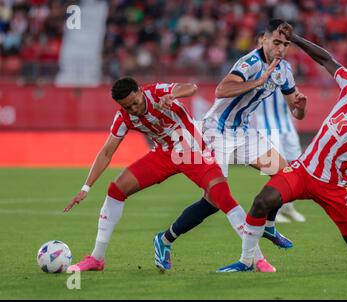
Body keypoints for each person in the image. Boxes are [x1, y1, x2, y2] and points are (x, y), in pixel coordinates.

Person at [218, 29, 347, 272]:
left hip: (335, 187)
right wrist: (295, 39)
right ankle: (246, 262)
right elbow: (326, 59)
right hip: (303, 171)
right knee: (262, 202)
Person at [63, 78, 272, 272]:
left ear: (140, 91)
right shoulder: (124, 117)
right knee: (116, 189)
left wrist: (173, 96)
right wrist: (85, 188)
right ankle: (96, 258)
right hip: (163, 154)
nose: (134, 109)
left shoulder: (157, 92)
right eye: (127, 106)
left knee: (222, 197)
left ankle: (257, 257)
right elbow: (107, 152)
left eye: (135, 102)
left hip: (192, 150)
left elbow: (191, 87)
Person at [154, 19, 307, 273]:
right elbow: (221, 90)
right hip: (217, 132)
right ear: (263, 40)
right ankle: (165, 239)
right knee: (214, 201)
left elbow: (296, 108)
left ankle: (268, 226)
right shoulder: (251, 63)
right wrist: (257, 82)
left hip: (245, 132)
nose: (280, 49)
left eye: (285, 44)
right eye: (276, 42)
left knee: (285, 175)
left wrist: (299, 107)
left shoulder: (284, 70)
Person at [253, 31, 306, 223]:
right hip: (266, 126)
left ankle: (288, 207)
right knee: (274, 169)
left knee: (294, 166)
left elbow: (291, 89)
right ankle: (271, 210)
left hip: (287, 125)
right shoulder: (253, 64)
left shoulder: (284, 66)